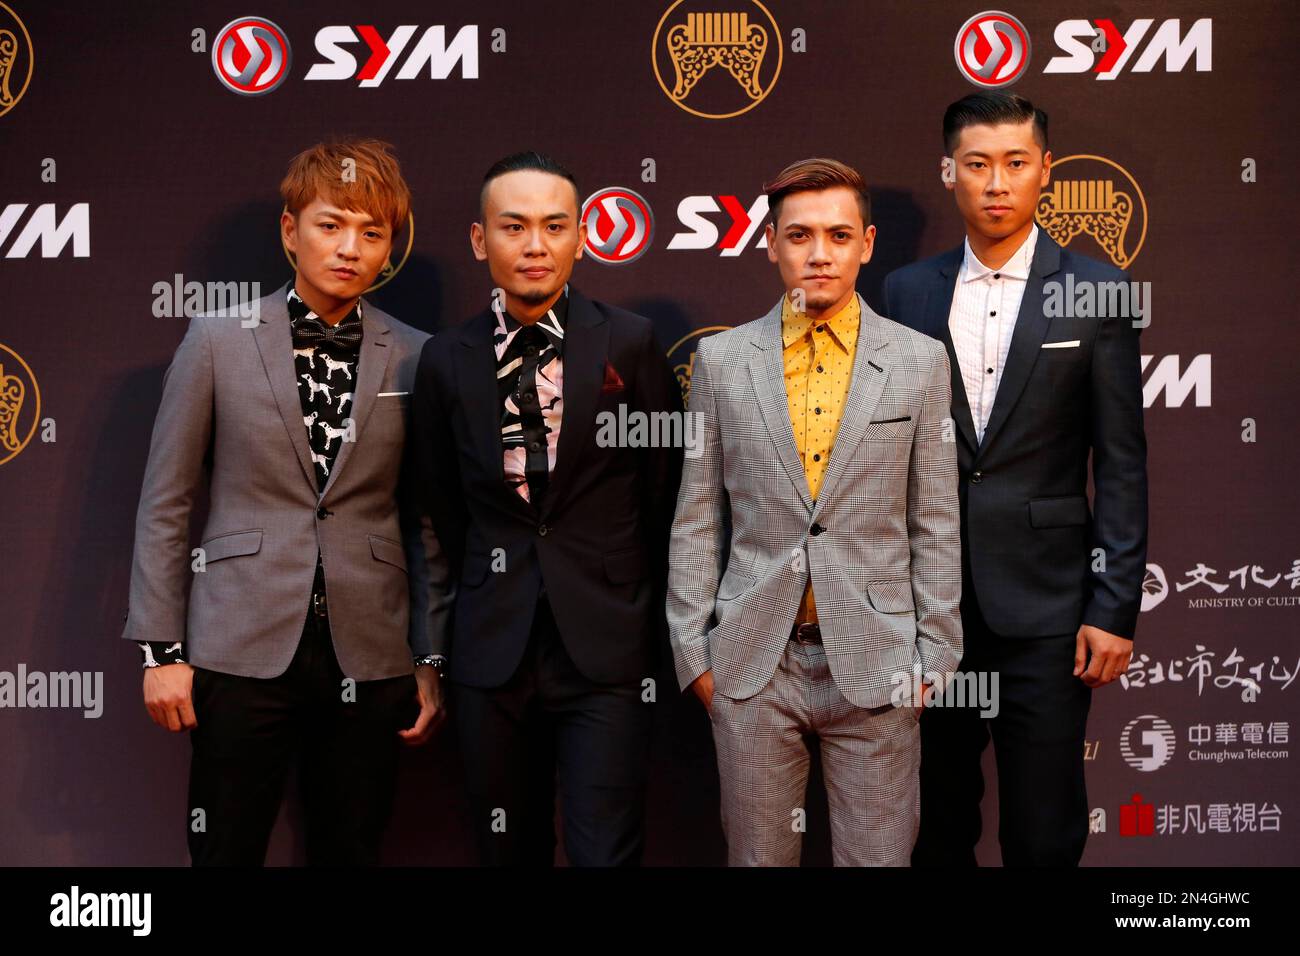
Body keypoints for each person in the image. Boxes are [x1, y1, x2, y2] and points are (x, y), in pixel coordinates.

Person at [123, 138, 449, 865]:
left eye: (372, 233)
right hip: (237, 644)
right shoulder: (216, 341)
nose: (350, 248)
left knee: (351, 850)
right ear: (289, 230)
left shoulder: (421, 354)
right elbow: (166, 502)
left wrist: (429, 658)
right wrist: (160, 650)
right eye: (331, 225)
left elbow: (425, 520)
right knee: (224, 851)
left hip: (371, 651)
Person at [667, 157, 963, 866]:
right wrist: (694, 652)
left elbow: (936, 519)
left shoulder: (920, 362)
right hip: (751, 664)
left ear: (866, 242)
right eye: (800, 235)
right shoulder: (721, 361)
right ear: (770, 242)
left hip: (880, 661)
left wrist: (936, 658)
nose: (819, 254)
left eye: (837, 235)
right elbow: (697, 516)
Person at [882, 91, 1148, 866]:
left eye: (1015, 164)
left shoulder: (1098, 290)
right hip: (929, 612)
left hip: (1052, 614)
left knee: (1043, 829)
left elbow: (1122, 462)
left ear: (1046, 173)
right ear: (948, 173)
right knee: (936, 828)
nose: (996, 182)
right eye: (977, 165)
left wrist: (1116, 606)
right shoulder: (905, 292)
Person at [409, 151, 682, 866]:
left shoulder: (630, 339)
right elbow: (443, 502)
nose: (535, 245)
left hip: (607, 645)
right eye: (515, 226)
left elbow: (662, 489)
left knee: (606, 853)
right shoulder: (444, 358)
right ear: (479, 240)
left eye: (555, 226)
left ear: (583, 235)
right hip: (491, 645)